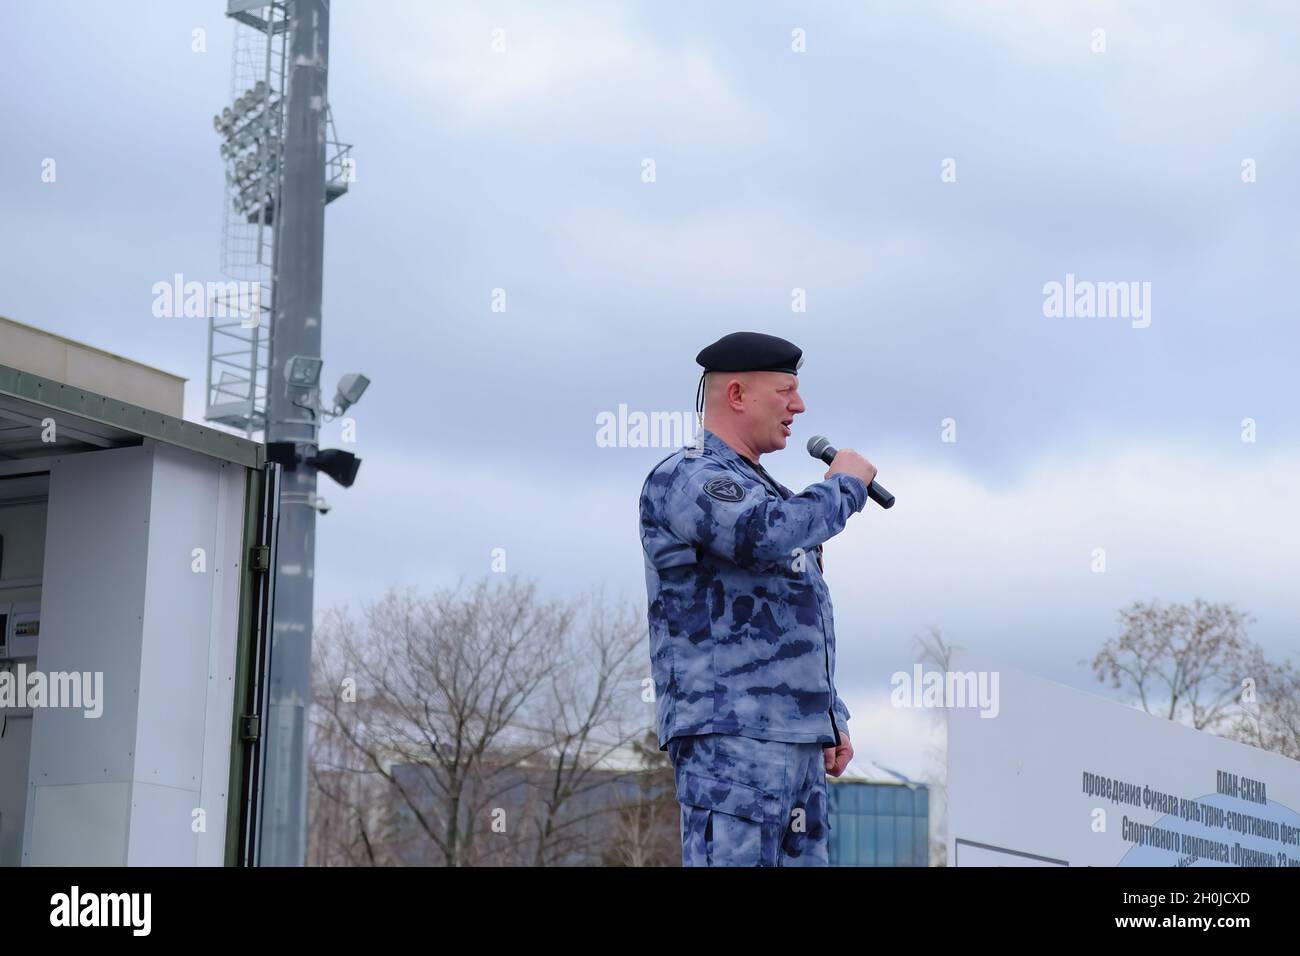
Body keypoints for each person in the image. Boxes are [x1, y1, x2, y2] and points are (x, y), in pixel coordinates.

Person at [639, 331, 878, 867]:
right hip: (732, 742)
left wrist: (829, 715)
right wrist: (842, 488)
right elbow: (759, 533)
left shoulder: (764, 489)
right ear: (738, 395)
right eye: (786, 390)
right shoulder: (690, 476)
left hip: (795, 741)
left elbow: (797, 616)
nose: (799, 405)